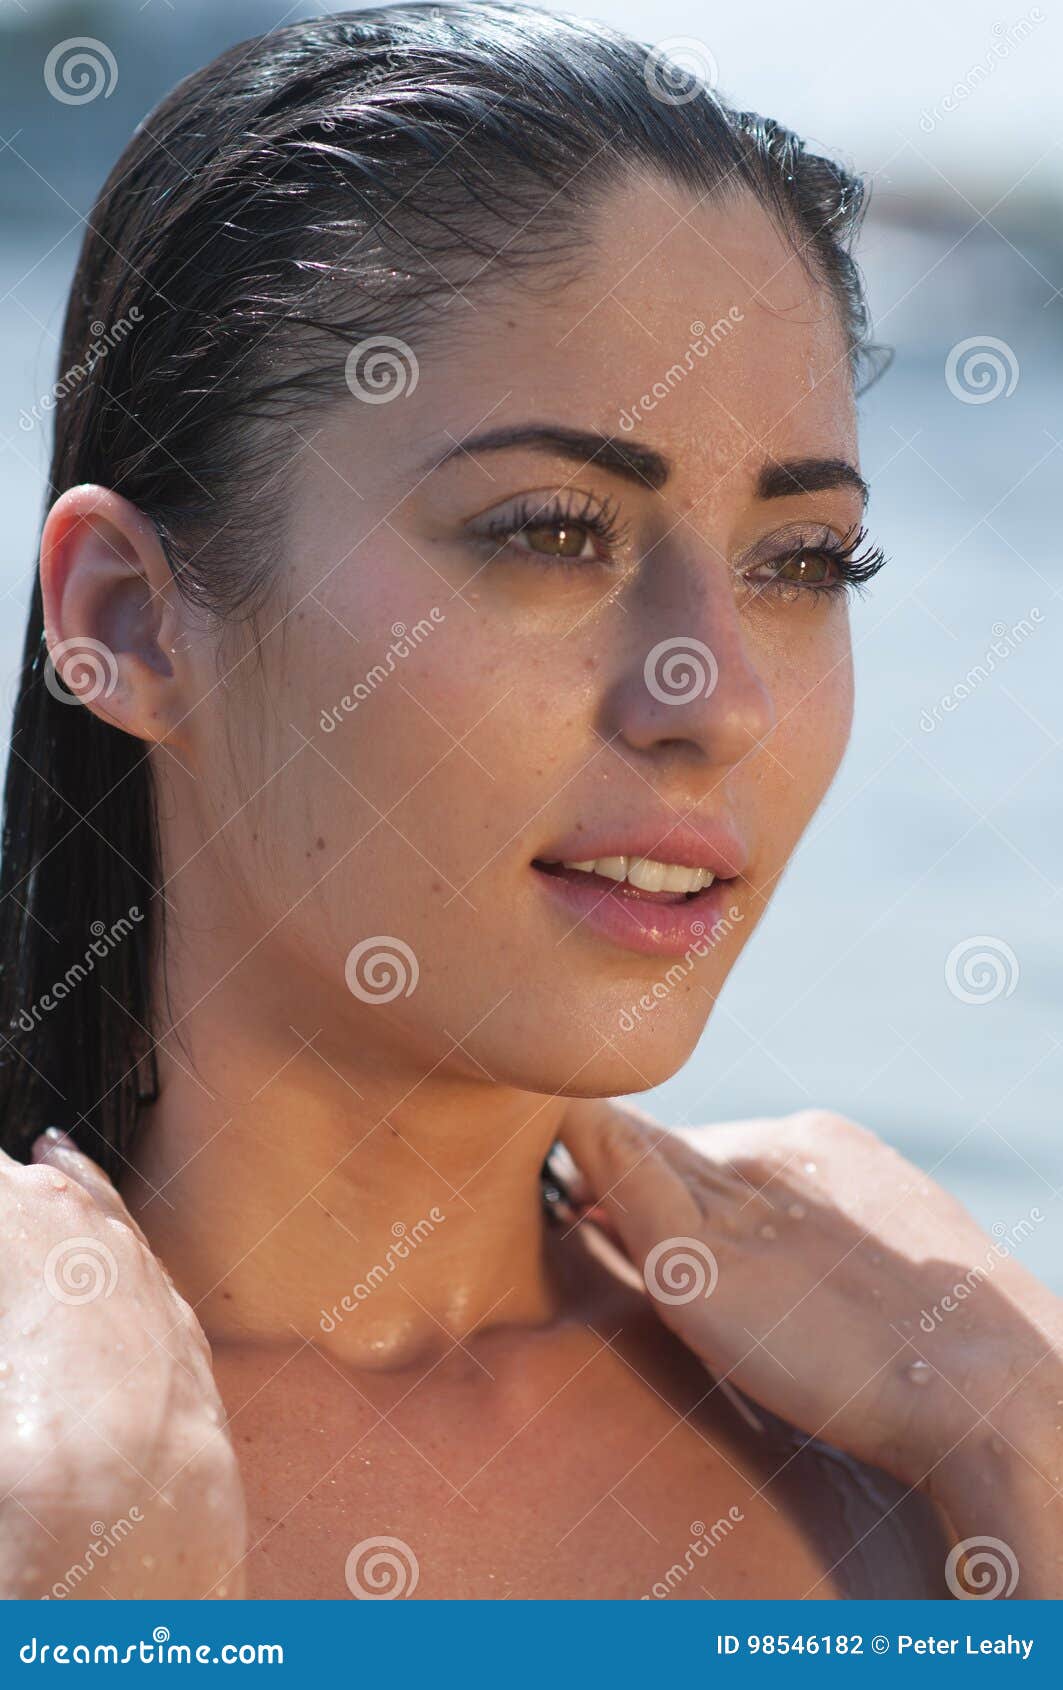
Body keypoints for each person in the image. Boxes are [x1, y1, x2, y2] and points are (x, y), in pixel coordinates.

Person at [1, 3, 1059, 1601]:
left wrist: (1028, 1450)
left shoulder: (927, 1458)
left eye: (803, 563)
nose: (717, 700)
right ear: (131, 622)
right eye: (553, 532)